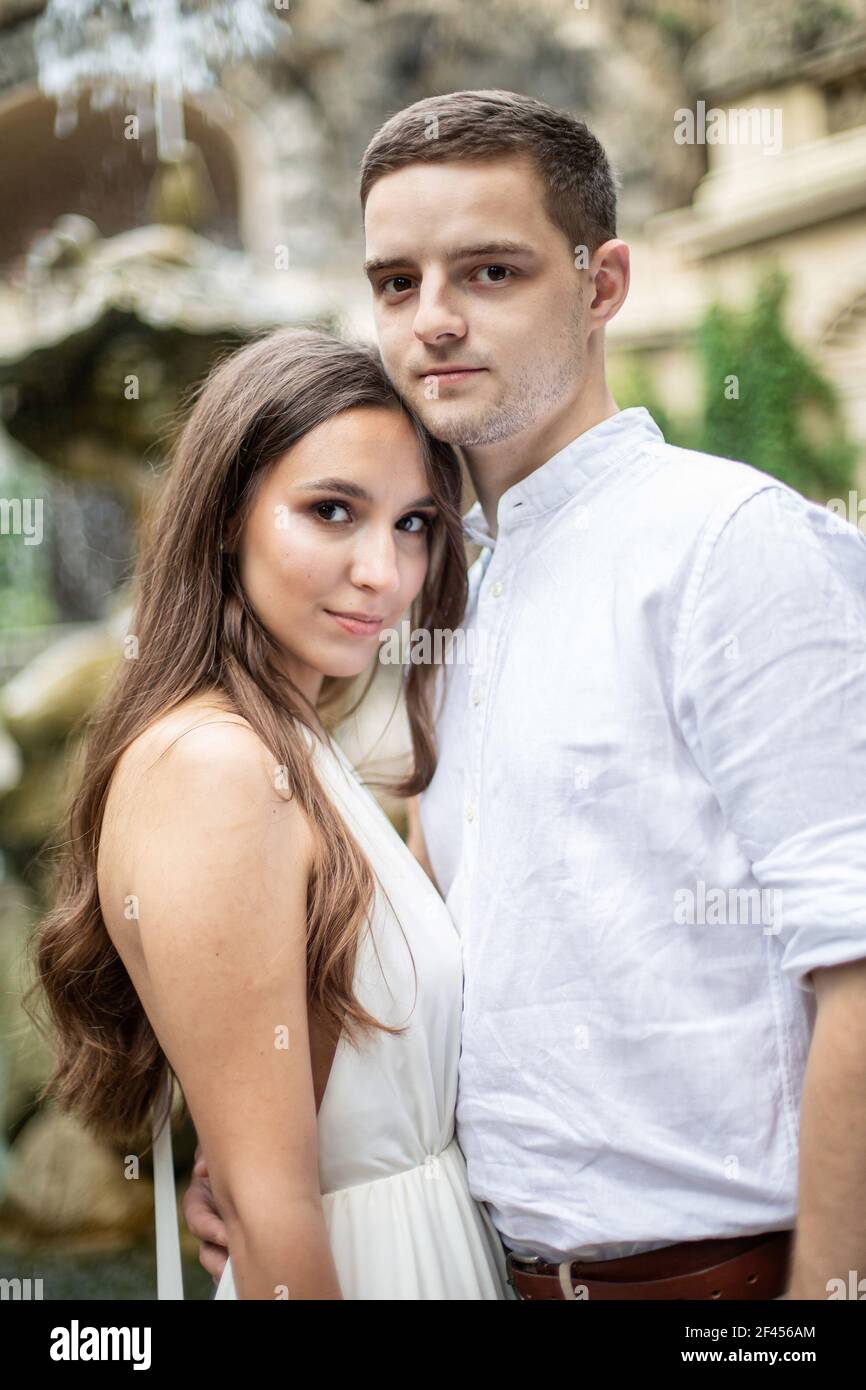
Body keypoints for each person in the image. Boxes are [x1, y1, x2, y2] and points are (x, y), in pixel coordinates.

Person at [185, 90, 866, 1301]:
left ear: (601, 284)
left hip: (722, 1285)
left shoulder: (726, 546)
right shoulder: (445, 596)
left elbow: (856, 957)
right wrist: (280, 1151)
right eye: (395, 283)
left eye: (488, 271)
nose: (433, 322)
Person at [28, 326, 511, 1300]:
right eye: (331, 511)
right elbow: (273, 1205)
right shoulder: (214, 767)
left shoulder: (296, 747)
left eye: (413, 522)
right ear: (220, 517)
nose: (383, 570)